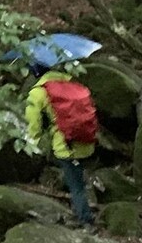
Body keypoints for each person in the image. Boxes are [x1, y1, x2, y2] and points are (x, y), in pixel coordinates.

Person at [25, 64, 98, 226]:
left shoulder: (38, 93)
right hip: (85, 142)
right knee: (79, 179)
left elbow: (33, 122)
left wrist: (34, 140)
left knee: (76, 186)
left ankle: (86, 220)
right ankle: (82, 210)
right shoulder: (72, 84)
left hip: (66, 147)